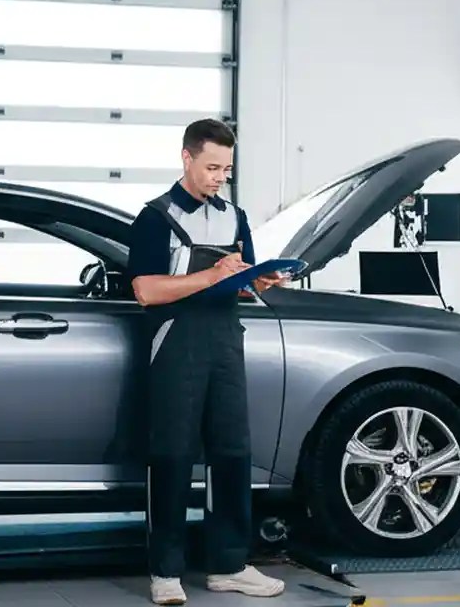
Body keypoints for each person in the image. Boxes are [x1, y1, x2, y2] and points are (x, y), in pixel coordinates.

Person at [127, 118, 288, 605]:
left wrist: (261, 280)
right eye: (212, 167)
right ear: (187, 158)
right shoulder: (154, 218)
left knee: (232, 452)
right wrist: (212, 274)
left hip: (224, 340)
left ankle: (229, 565)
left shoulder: (234, 217)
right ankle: (165, 572)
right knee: (173, 454)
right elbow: (146, 290)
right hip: (176, 341)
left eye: (227, 169)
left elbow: (239, 279)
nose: (220, 177)